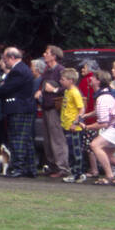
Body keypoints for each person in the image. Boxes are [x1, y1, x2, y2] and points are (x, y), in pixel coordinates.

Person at [0, 48, 38, 177]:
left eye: (5, 59)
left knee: (17, 138)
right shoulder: (22, 69)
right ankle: (30, 168)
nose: (4, 62)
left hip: (19, 108)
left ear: (11, 58)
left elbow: (6, 89)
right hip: (24, 108)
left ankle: (18, 167)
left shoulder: (18, 71)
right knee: (26, 140)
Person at [35, 45, 68, 178]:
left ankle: (63, 167)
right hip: (46, 108)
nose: (44, 54)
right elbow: (42, 85)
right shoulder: (47, 71)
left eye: (47, 53)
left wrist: (54, 90)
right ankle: (53, 166)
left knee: (57, 139)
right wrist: (39, 90)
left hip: (56, 109)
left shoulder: (61, 71)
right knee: (47, 140)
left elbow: (69, 88)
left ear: (54, 56)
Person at [58, 67, 87, 182]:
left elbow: (81, 109)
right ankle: (75, 173)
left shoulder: (75, 92)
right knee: (70, 150)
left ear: (71, 80)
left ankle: (77, 173)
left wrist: (75, 123)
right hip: (66, 125)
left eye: (63, 79)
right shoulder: (66, 91)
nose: (61, 81)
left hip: (74, 127)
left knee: (76, 151)